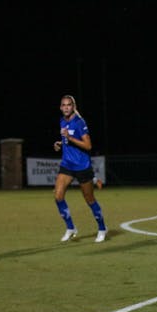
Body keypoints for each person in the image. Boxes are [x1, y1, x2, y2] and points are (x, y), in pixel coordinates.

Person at [52, 94, 107, 243]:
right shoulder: (62, 121)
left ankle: (102, 228)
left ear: (73, 107)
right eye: (63, 105)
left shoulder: (79, 122)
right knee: (58, 196)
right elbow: (66, 140)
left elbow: (88, 146)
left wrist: (70, 139)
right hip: (67, 165)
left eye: (68, 105)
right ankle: (71, 227)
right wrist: (61, 143)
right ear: (60, 107)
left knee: (89, 199)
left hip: (82, 166)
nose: (66, 107)